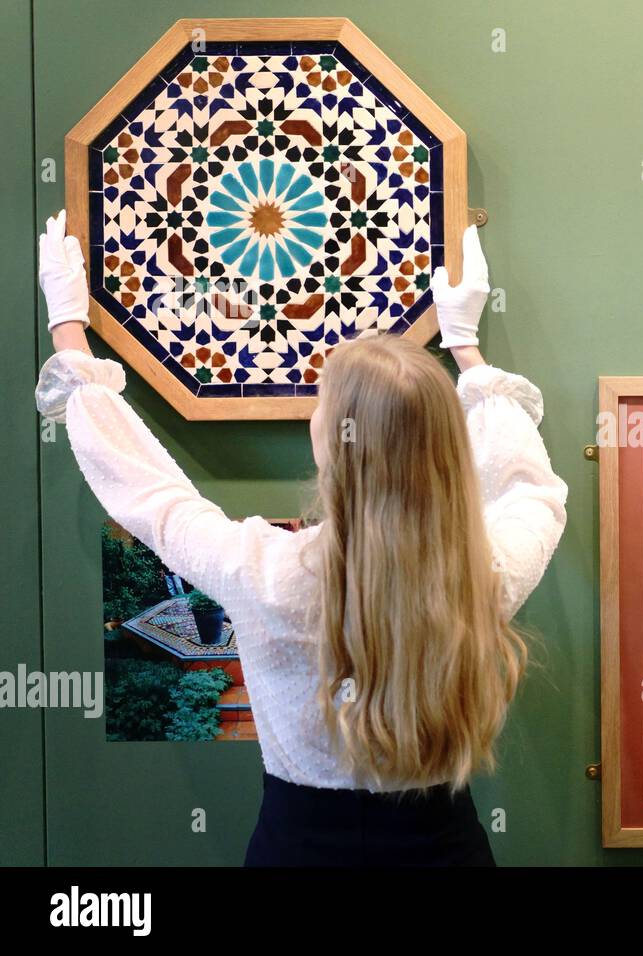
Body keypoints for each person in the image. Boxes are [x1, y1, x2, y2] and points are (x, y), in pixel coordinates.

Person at [35, 211, 567, 866]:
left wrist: (69, 329)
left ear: (335, 444)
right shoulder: (485, 572)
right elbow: (532, 493)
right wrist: (465, 347)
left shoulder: (263, 569)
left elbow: (156, 501)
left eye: (323, 404)